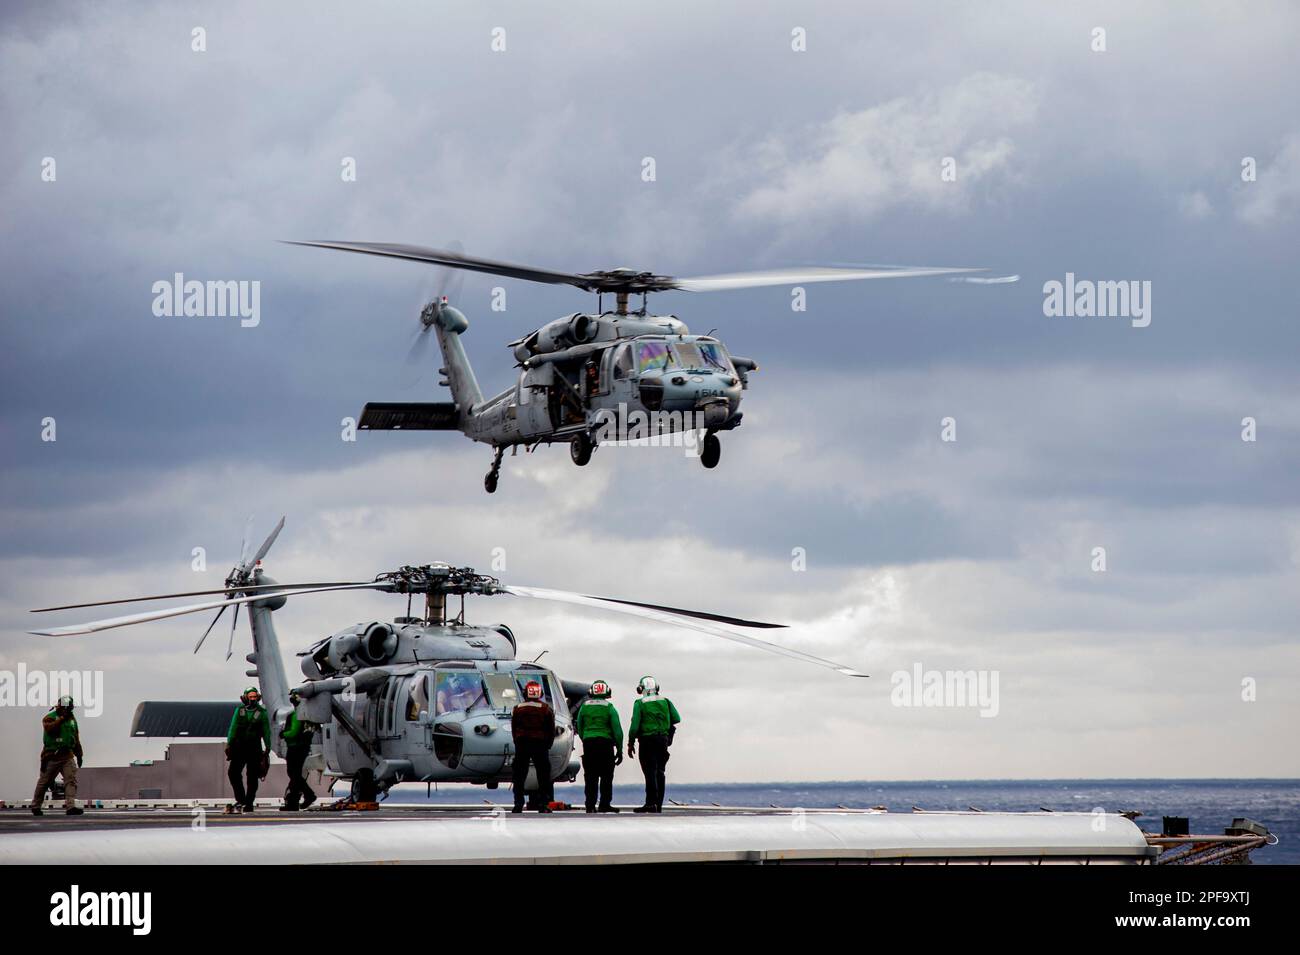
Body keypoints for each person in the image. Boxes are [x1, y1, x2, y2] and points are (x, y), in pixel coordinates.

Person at [627, 675, 680, 814]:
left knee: (649, 772)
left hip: (647, 742)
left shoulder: (640, 703)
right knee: (660, 772)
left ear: (641, 689)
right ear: (656, 687)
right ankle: (658, 805)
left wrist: (630, 743)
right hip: (662, 741)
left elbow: (634, 727)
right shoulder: (666, 701)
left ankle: (650, 803)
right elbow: (676, 718)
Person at [575, 680, 623, 813]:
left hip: (589, 744)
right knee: (606, 776)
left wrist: (585, 739)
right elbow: (617, 731)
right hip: (606, 745)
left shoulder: (584, 707)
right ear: (607, 692)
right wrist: (619, 750)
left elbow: (579, 726)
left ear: (591, 692)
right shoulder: (610, 707)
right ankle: (604, 804)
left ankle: (590, 805)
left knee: (590, 776)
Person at [32, 695, 84, 816]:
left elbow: (75, 737)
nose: (69, 710)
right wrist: (61, 719)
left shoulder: (72, 720)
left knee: (71, 781)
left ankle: (71, 807)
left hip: (67, 756)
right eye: (67, 708)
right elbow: (49, 729)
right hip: (51, 756)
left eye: (70, 708)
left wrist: (79, 754)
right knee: (44, 782)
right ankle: (35, 806)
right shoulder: (49, 718)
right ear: (60, 706)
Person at [510, 680, 555, 814]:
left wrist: (517, 741)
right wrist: (548, 745)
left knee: (519, 774)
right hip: (540, 744)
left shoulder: (518, 708)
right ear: (540, 693)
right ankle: (543, 804)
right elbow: (550, 730)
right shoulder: (546, 709)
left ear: (525, 693)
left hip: (522, 743)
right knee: (543, 775)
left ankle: (518, 803)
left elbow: (514, 728)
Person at [226, 686, 271, 812]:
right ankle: (241, 799)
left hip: (254, 748)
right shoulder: (239, 711)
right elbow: (233, 728)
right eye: (250, 697)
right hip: (239, 747)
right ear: (245, 697)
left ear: (257, 698)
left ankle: (249, 802)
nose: (252, 699)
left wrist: (268, 747)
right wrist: (229, 743)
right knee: (233, 773)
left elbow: (266, 732)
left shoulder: (262, 713)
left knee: (252, 777)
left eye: (254, 697)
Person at [279, 689, 316, 811]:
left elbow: (294, 732)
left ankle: (308, 795)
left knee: (293, 773)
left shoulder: (296, 715)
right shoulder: (307, 714)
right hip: (303, 747)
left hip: (295, 747)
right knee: (295, 774)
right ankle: (293, 803)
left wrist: (284, 734)